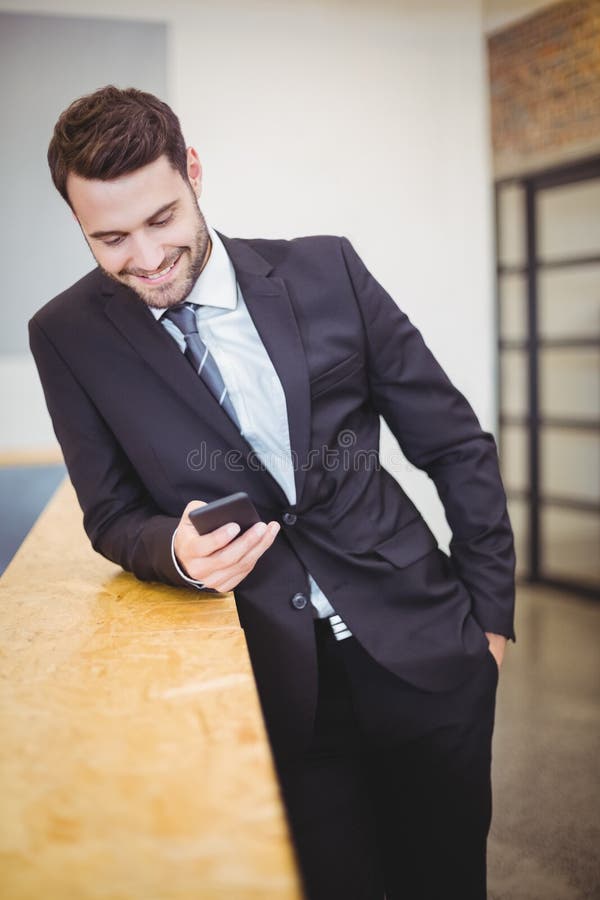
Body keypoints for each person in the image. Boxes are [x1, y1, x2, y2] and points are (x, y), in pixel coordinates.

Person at [31, 85, 515, 900]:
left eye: (161, 221)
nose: (145, 260)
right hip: (270, 693)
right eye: (108, 238)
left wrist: (490, 622)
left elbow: (454, 443)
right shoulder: (65, 335)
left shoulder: (327, 269)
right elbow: (111, 515)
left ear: (193, 171)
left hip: (428, 653)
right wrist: (176, 553)